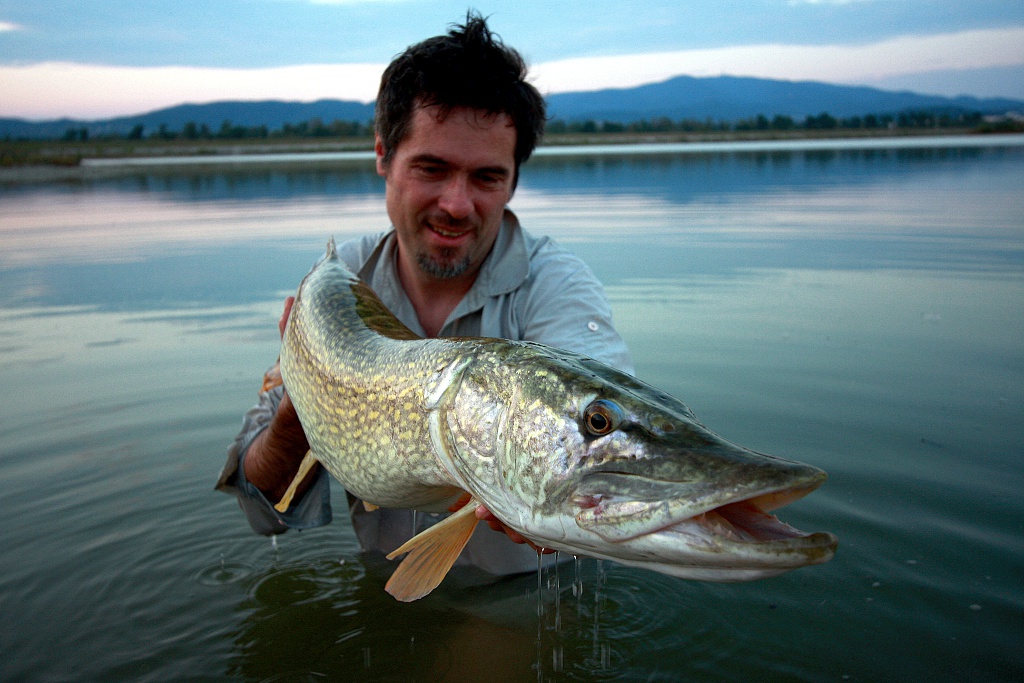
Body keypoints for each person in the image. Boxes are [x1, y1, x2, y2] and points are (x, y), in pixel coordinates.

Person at [217, 13, 633, 578]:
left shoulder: (556, 287)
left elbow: (603, 422)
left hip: (527, 598)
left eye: (486, 177)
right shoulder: (336, 289)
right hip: (386, 591)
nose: (457, 204)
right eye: (432, 169)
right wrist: (302, 403)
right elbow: (263, 512)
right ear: (384, 156)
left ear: (513, 180)